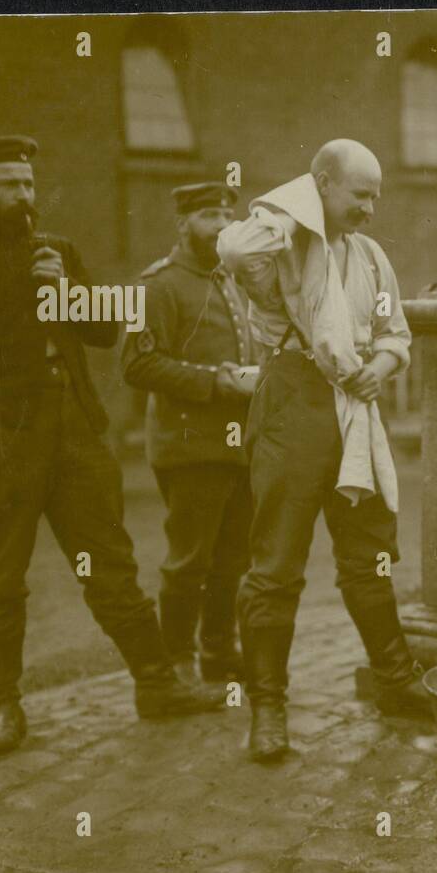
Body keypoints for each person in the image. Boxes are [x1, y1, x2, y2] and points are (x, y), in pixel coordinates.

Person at [0, 136, 223, 756]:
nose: (23, 196)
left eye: (28, 184)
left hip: (76, 437)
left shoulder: (57, 252)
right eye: (8, 184)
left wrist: (66, 289)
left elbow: (107, 333)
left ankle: (156, 683)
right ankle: (3, 707)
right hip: (3, 444)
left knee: (110, 563)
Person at [216, 139, 425, 763]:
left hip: (355, 408)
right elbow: (232, 247)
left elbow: (396, 333)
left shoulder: (370, 257)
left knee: (370, 554)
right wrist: (291, 209)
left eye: (376, 197)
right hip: (294, 404)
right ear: (322, 186)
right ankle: (269, 706)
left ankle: (395, 680)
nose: (370, 209)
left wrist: (380, 367)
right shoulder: (283, 245)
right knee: (277, 564)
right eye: (359, 194)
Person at [122, 182, 255, 686]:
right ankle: (175, 660)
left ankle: (218, 651)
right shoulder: (157, 284)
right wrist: (215, 381)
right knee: (189, 562)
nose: (221, 225)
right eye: (208, 216)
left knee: (232, 559)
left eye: (226, 214)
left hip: (238, 446)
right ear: (182, 223)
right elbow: (138, 364)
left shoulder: (233, 280)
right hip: (189, 447)